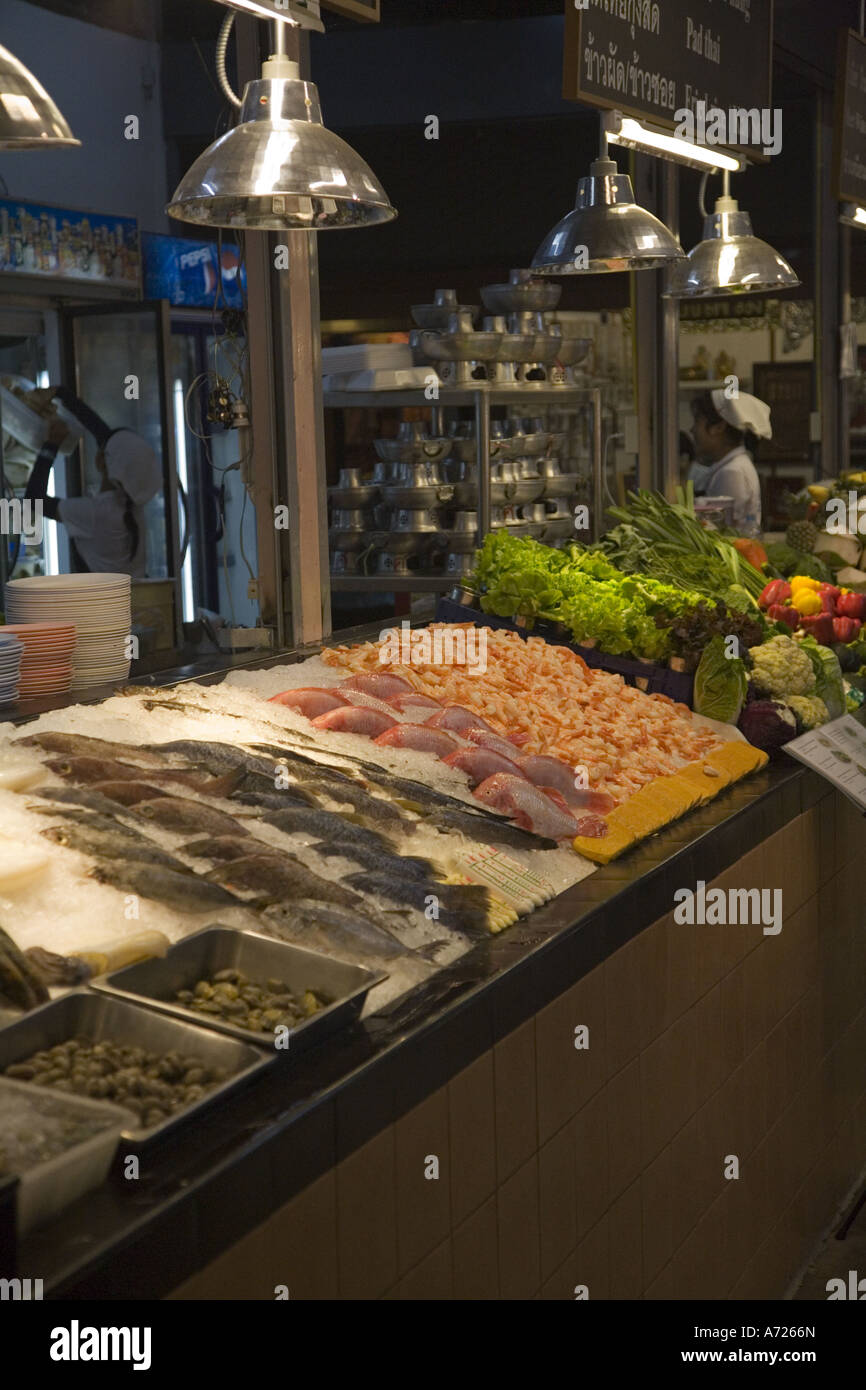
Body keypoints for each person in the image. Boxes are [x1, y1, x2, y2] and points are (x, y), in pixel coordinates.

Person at [24, 386, 162, 577]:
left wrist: (51, 445)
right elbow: (103, 433)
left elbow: (33, 500)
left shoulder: (97, 513)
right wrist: (61, 394)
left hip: (105, 604)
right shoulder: (132, 504)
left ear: (101, 462)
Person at [689, 389, 771, 538]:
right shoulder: (735, 466)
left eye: (697, 421)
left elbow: (723, 532)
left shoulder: (732, 472)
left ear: (719, 427)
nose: (692, 430)